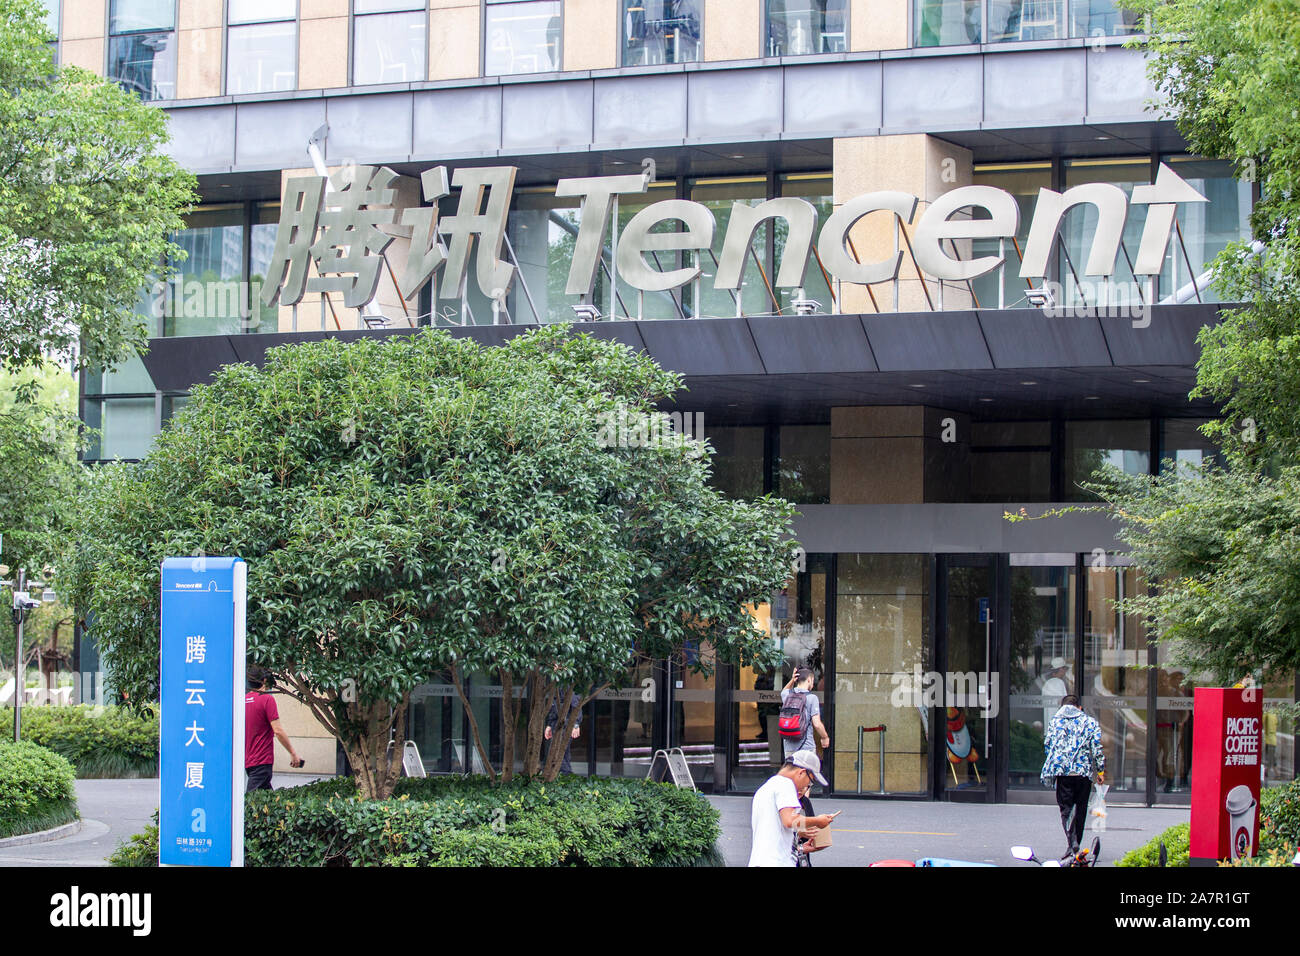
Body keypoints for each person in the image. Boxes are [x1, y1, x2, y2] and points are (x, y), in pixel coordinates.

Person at [1040, 693, 1105, 856]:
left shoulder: (1055, 722)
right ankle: (1076, 842)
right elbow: (1097, 747)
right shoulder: (1089, 722)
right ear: (1079, 707)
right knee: (1081, 808)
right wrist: (1101, 770)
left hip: (1063, 773)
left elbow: (1048, 745)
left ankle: (1072, 841)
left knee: (1066, 809)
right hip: (1083, 773)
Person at [748, 750, 834, 867]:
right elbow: (790, 820)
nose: (807, 786)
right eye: (811, 781)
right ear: (802, 773)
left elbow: (776, 831)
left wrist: (800, 848)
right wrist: (818, 821)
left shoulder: (766, 788)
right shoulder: (786, 784)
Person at [245, 667, 303, 791]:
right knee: (252, 803)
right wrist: (293, 753)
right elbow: (278, 731)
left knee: (263, 800)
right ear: (264, 680)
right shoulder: (267, 699)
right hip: (262, 761)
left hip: (248, 761)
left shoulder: (243, 701)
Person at [779, 667, 830, 760]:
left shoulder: (787, 695)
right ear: (809, 680)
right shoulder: (812, 698)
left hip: (789, 748)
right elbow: (817, 724)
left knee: (792, 773)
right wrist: (825, 737)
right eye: (813, 680)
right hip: (806, 747)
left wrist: (792, 680)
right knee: (807, 773)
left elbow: (783, 692)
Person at [544, 691, 582, 775]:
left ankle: (566, 775)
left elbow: (576, 705)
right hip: (557, 724)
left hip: (565, 724)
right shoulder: (557, 686)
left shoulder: (567, 684)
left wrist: (575, 724)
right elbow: (554, 705)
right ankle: (564, 777)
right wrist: (549, 725)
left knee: (558, 753)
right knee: (561, 753)